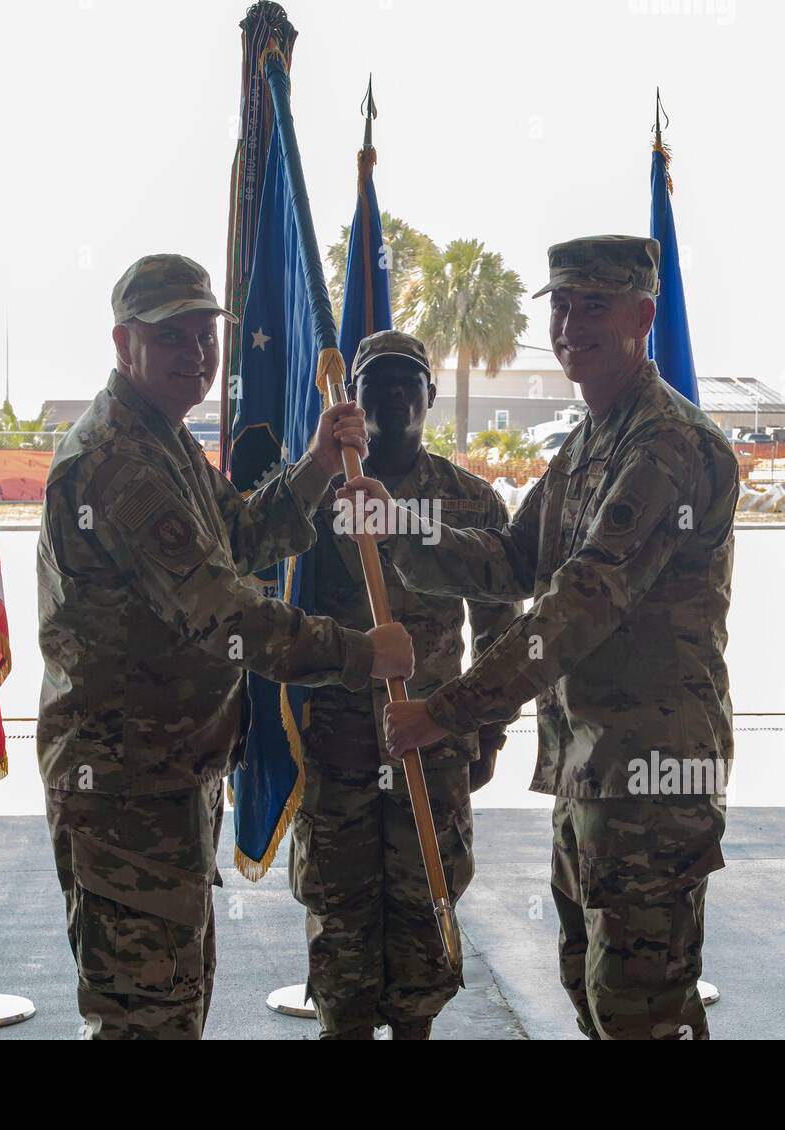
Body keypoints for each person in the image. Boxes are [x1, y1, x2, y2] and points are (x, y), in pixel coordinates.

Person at [344, 236, 738, 1040]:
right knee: (595, 992)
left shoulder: (665, 444)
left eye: (594, 304)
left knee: (642, 1009)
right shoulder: (591, 441)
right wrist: (399, 528)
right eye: (560, 304)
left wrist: (444, 711)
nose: (570, 323)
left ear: (643, 315)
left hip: (651, 778)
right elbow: (514, 560)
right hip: (590, 770)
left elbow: (578, 605)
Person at [36, 253, 414, 1039]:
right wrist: (361, 654)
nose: (195, 354)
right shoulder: (119, 463)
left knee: (173, 1000)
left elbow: (239, 535)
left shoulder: (163, 441)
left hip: (164, 777)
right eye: (170, 336)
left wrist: (313, 468)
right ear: (122, 343)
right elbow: (227, 618)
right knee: (146, 1018)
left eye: (205, 334)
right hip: (125, 789)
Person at [292, 330, 519, 1039]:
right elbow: (281, 608)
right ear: (355, 396)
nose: (394, 392)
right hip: (339, 742)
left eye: (407, 380)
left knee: (428, 903)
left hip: (431, 738)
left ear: (428, 393)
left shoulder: (470, 499)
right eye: (378, 381)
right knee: (341, 916)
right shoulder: (319, 493)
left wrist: (488, 732)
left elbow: (499, 625)